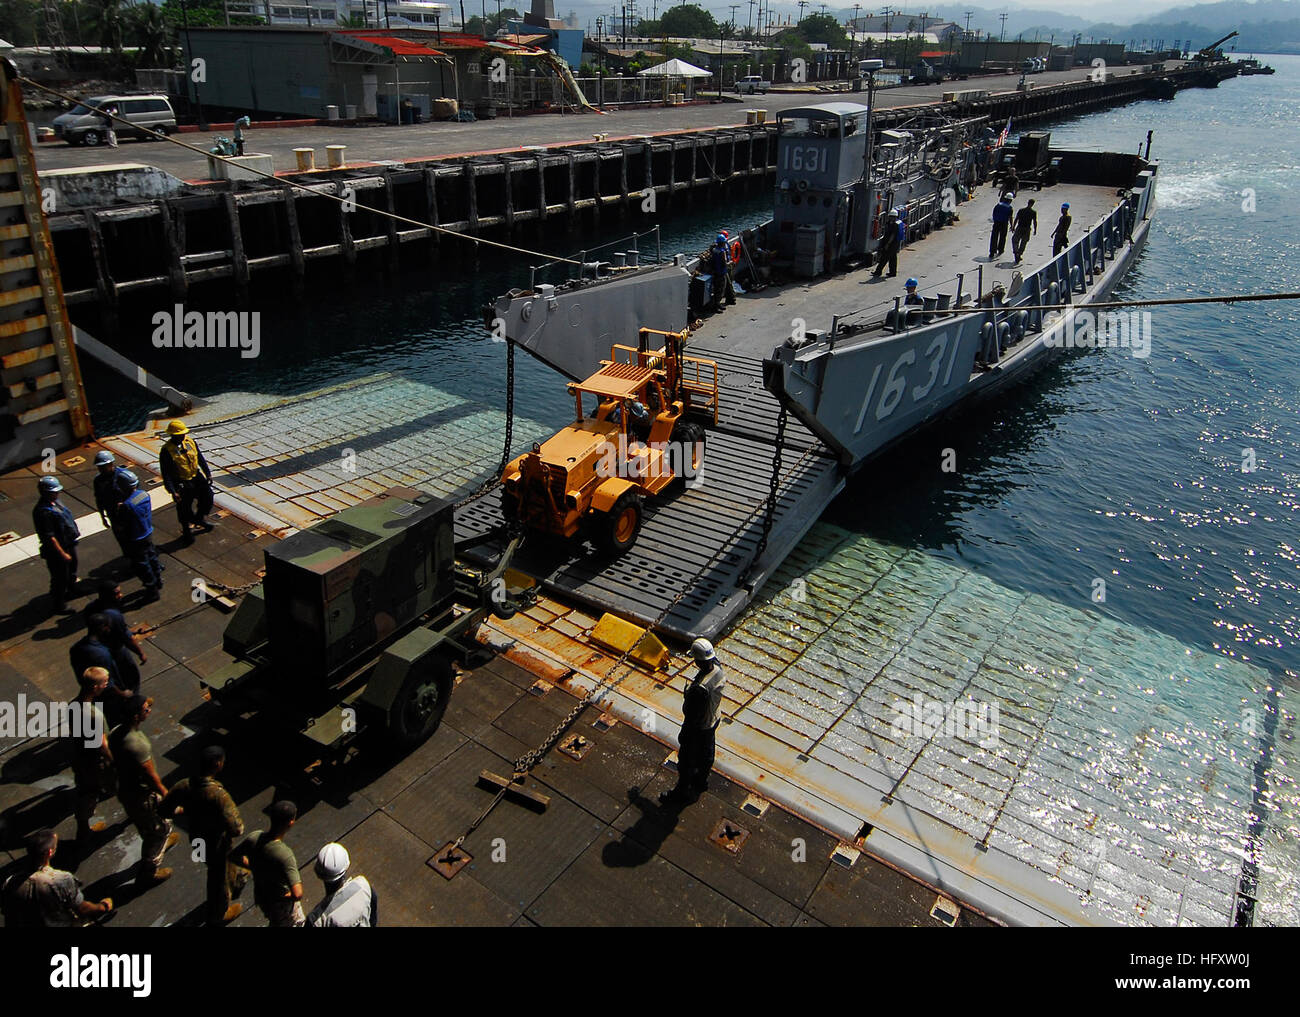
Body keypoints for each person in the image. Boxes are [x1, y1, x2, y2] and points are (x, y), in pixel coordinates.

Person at [160, 745, 245, 924]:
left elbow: (164, 809)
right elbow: (237, 829)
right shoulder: (218, 795)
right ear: (217, 764)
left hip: (197, 837)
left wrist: (184, 809)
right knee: (217, 878)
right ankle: (218, 915)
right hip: (217, 844)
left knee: (211, 864)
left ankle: (235, 878)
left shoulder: (184, 785)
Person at [110, 694, 181, 887]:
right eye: (145, 709)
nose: (149, 710)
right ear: (135, 716)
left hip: (126, 789)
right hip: (141, 796)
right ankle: (148, 873)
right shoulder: (137, 745)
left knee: (147, 825)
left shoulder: (116, 732)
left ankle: (158, 843)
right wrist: (168, 797)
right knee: (159, 830)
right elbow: (152, 778)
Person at [660, 638, 727, 806]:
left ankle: (682, 793)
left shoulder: (700, 689)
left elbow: (690, 714)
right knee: (707, 755)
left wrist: (685, 735)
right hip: (713, 720)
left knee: (686, 760)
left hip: (698, 726)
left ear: (697, 661)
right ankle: (700, 783)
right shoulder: (718, 669)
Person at [0, 830, 113, 927]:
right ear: (50, 852)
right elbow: (83, 909)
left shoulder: (10, 881)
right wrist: (103, 907)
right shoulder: (61, 879)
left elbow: (9, 913)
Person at [231, 801, 306, 927]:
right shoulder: (285, 855)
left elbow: (233, 856)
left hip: (262, 897)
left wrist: (254, 866)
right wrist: (280, 897)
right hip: (280, 905)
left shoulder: (254, 837)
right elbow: (297, 893)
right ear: (291, 823)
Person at [69, 667, 115, 851]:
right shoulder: (95, 715)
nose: (107, 684)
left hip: (80, 757)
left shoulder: (73, 704)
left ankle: (83, 830)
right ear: (96, 687)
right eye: (105, 681)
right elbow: (102, 745)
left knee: (84, 792)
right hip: (95, 763)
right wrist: (114, 761)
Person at [84, 581, 148, 693]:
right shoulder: (113, 615)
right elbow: (127, 639)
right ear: (106, 595)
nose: (121, 595)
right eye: (117, 593)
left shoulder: (90, 608)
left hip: (100, 649)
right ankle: (133, 699)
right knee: (131, 678)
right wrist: (140, 653)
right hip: (116, 650)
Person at [70, 614, 134, 725]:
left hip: (88, 689)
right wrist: (123, 693)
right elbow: (108, 684)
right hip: (106, 697)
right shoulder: (101, 654)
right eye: (107, 627)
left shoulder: (76, 648)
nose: (109, 629)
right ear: (101, 628)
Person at [159, 419, 215, 542]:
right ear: (173, 435)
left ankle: (199, 518)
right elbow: (166, 473)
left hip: (196, 476)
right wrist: (173, 491)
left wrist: (208, 473)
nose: (183, 436)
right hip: (181, 482)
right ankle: (186, 530)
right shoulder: (166, 451)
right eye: (180, 434)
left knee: (208, 497)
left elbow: (199, 457)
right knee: (184, 508)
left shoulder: (190, 442)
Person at [113, 470, 163, 599]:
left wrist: (119, 509)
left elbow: (120, 525)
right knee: (152, 557)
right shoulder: (144, 495)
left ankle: (152, 590)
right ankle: (158, 580)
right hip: (147, 532)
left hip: (135, 538)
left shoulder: (126, 506)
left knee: (142, 565)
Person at [33, 475, 80, 613]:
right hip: (57, 550)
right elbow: (50, 537)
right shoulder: (43, 512)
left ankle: (72, 590)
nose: (57, 493)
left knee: (71, 570)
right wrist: (63, 554)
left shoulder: (55, 502)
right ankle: (59, 604)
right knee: (60, 578)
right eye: (54, 492)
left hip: (68, 543)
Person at [307, 843, 378, 928]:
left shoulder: (317, 919)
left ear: (318, 873)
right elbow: (373, 918)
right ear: (346, 867)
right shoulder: (363, 886)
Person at [92, 450, 133, 528]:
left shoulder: (124, 475)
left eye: (103, 466)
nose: (101, 469)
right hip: (112, 515)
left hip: (127, 512)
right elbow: (99, 499)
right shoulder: (98, 480)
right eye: (99, 467)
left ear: (111, 464)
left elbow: (136, 493)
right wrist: (102, 517)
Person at [872, 209, 904, 278]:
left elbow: (892, 235)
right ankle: (893, 272)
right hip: (896, 244)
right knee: (893, 258)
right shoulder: (895, 222)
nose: (891, 218)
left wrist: (887, 244)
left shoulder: (894, 225)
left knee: (884, 257)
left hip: (892, 244)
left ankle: (878, 272)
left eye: (892, 216)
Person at [709, 234, 736, 311]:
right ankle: (716, 306)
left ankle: (717, 304)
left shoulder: (714, 250)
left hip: (716, 272)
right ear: (723, 243)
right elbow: (724, 263)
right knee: (720, 290)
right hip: (721, 273)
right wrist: (731, 262)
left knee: (716, 289)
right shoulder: (722, 252)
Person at [1011, 198, 1038, 263]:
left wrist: (1013, 227)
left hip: (1019, 227)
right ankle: (1019, 254)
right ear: (1032, 204)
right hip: (1027, 229)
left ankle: (1016, 252)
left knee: (1015, 240)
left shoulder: (1021, 210)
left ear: (1028, 203)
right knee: (1024, 242)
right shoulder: (1033, 212)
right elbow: (1035, 221)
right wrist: (1035, 229)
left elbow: (1016, 219)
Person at [989, 193, 1014, 259]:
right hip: (1004, 223)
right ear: (1010, 200)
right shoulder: (1009, 208)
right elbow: (1010, 217)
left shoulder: (998, 205)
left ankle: (992, 251)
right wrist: (1012, 226)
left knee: (994, 237)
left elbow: (994, 213)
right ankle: (1000, 249)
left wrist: (995, 220)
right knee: (1002, 237)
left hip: (996, 223)